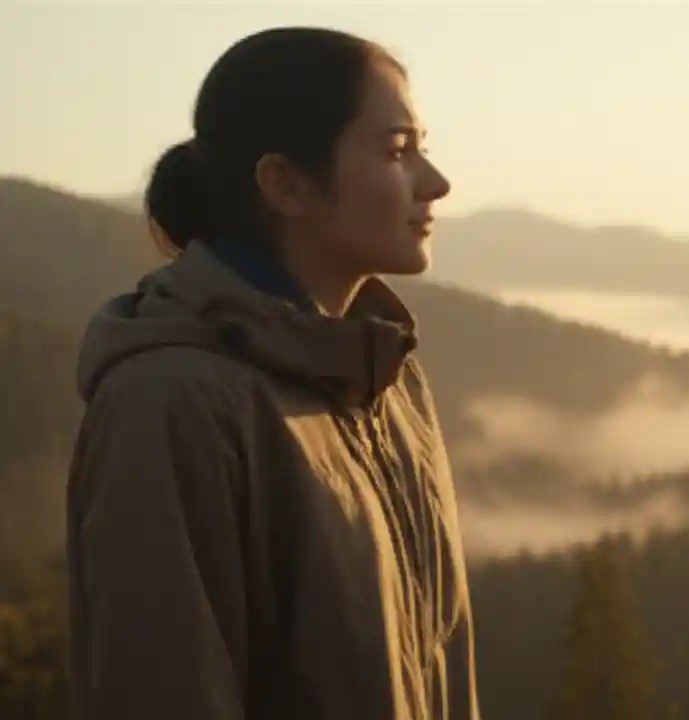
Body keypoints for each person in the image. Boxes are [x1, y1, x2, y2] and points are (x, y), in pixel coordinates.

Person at [64, 26, 480, 719]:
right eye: (398, 150)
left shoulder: (386, 381)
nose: (435, 181)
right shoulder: (169, 403)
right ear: (286, 183)